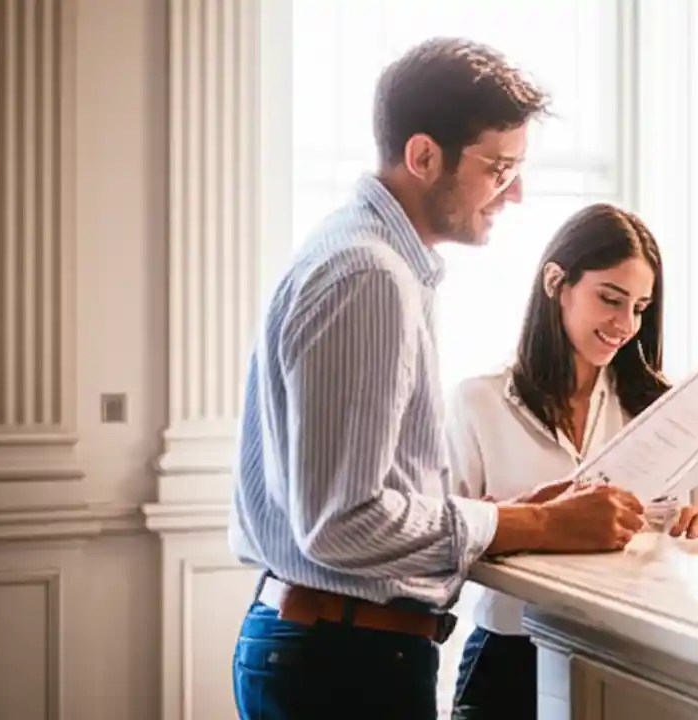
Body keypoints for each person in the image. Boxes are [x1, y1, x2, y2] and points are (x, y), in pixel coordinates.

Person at [226, 38, 646, 719]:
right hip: (343, 665)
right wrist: (533, 522)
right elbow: (343, 523)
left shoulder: (363, 257)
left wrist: (517, 518)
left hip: (332, 649)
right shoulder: (369, 275)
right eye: (499, 168)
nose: (516, 193)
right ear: (423, 156)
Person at [445, 203, 698, 719]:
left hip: (636, 657)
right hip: (510, 659)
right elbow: (446, 544)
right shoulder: (477, 403)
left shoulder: (670, 412)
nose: (625, 324)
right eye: (610, 299)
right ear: (556, 282)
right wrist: (527, 521)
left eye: (640, 307)